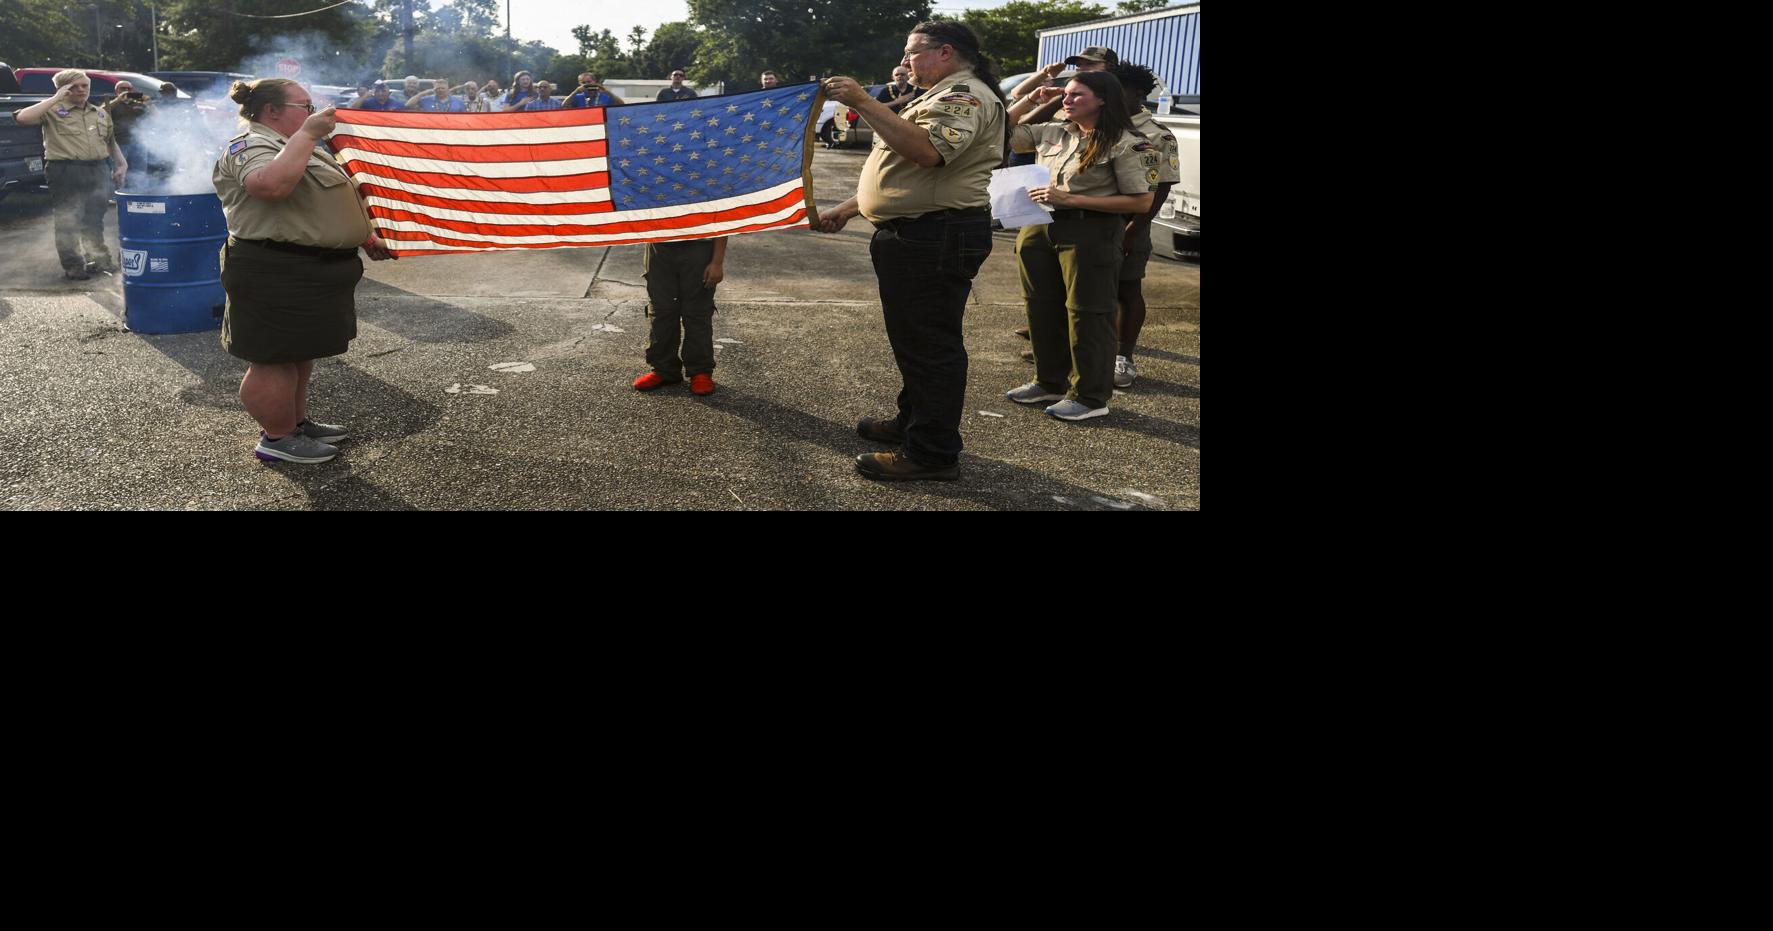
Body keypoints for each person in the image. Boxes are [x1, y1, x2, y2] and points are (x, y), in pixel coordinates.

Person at [816, 22, 1006, 481]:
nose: (906, 63)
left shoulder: (964, 96)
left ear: (945, 52)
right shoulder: (936, 93)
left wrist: (863, 101)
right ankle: (913, 423)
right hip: (917, 234)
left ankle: (933, 453)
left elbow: (926, 153)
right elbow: (902, 174)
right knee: (914, 340)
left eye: (912, 53)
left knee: (930, 346)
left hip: (934, 236)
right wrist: (849, 207)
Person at [210, 78, 398, 464]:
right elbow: (271, 186)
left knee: (297, 353)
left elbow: (321, 202)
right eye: (305, 106)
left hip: (310, 268)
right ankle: (277, 440)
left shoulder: (298, 144)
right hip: (274, 266)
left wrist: (365, 238)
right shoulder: (250, 144)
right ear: (272, 111)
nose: (314, 113)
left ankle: (294, 424)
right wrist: (309, 133)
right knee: (274, 356)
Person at [1002, 72, 1155, 422]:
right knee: (1041, 306)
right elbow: (1000, 134)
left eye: (1075, 95)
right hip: (1039, 225)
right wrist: (1034, 100)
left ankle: (1089, 395)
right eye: (1065, 95)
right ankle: (1049, 381)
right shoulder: (1055, 130)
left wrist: (1070, 198)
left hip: (1090, 231)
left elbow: (1141, 201)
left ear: (1102, 99)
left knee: (1088, 313)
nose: (1066, 100)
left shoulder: (1127, 141)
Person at [13, 70, 128, 280]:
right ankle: (74, 265)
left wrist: (121, 163)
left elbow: (110, 140)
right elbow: (22, 118)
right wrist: (56, 97)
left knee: (94, 218)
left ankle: (98, 259)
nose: (82, 90)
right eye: (75, 86)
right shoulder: (52, 109)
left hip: (98, 168)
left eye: (85, 85)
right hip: (65, 170)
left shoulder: (99, 112)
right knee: (69, 219)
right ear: (63, 88)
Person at [1112, 62, 1180, 388]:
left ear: (1138, 93)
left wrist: (1137, 228)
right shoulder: (1098, 123)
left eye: (1118, 89)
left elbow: (1161, 185)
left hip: (1129, 222)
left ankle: (1123, 357)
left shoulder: (1157, 134)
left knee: (1127, 289)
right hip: (1090, 220)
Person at [632, 237, 728, 397]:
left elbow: (722, 218)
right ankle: (663, 369)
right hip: (659, 245)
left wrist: (717, 262)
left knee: (697, 312)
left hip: (700, 246)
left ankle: (700, 371)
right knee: (661, 309)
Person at [104, 80, 152, 189]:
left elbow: (157, 117)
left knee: (139, 173)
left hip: (139, 142)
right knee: (118, 172)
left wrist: (149, 103)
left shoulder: (139, 105)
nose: (126, 91)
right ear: (116, 91)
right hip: (119, 143)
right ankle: (116, 197)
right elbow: (100, 113)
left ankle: (137, 196)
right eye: (123, 89)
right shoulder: (113, 104)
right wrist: (117, 100)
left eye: (129, 89)